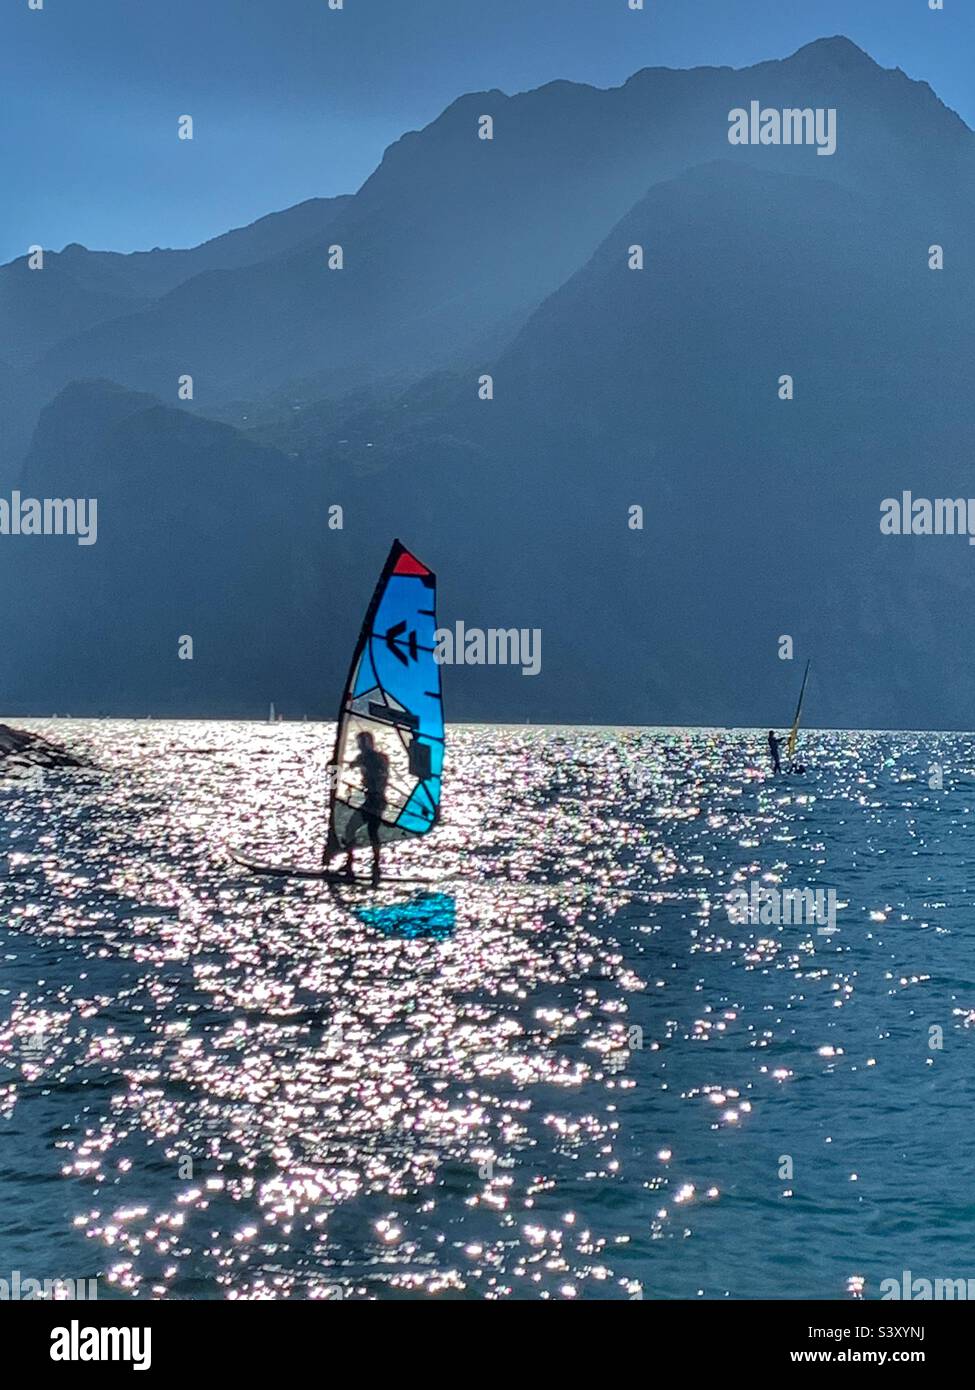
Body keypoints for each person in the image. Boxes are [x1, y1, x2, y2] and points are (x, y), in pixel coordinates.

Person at [338, 731, 390, 883]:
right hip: (372, 801)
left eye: (361, 743)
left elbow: (378, 768)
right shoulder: (364, 757)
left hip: (377, 801)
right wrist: (335, 764)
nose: (359, 746)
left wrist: (363, 764)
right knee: (356, 830)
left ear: (368, 743)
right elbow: (352, 764)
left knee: (366, 831)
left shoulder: (379, 758)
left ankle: (373, 866)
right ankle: (356, 864)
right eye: (358, 743)